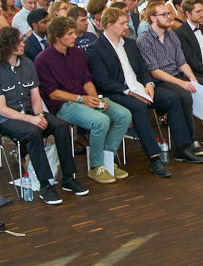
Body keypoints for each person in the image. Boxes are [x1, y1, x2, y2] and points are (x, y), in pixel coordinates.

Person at [86, 6, 203, 173]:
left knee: (173, 98)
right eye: (123, 23)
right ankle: (154, 158)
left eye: (127, 22)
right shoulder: (95, 48)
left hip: (140, 88)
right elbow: (103, 81)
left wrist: (148, 83)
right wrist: (130, 92)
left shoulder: (130, 44)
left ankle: (182, 147)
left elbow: (142, 70)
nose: (127, 26)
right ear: (110, 25)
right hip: (119, 92)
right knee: (139, 107)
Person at [0, 27, 85, 205]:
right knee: (33, 132)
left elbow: (35, 97)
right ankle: (44, 184)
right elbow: (2, 110)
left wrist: (39, 115)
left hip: (31, 113)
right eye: (18, 41)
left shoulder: (27, 64)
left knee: (61, 126)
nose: (23, 44)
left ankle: (69, 177)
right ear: (7, 45)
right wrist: (32, 119)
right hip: (8, 119)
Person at [34, 16, 132, 185]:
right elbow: (52, 93)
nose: (75, 37)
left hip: (84, 97)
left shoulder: (78, 53)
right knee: (100, 121)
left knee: (124, 115)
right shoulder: (42, 59)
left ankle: (106, 158)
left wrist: (94, 99)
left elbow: (86, 79)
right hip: (64, 105)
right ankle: (96, 165)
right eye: (70, 34)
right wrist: (82, 99)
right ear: (57, 36)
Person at [138, 0, 203, 148]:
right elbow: (154, 71)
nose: (169, 17)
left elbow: (182, 62)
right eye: (164, 14)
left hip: (180, 75)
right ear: (153, 18)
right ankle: (191, 140)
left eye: (169, 13)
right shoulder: (144, 39)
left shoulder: (171, 35)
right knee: (184, 95)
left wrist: (192, 78)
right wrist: (182, 82)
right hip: (163, 80)